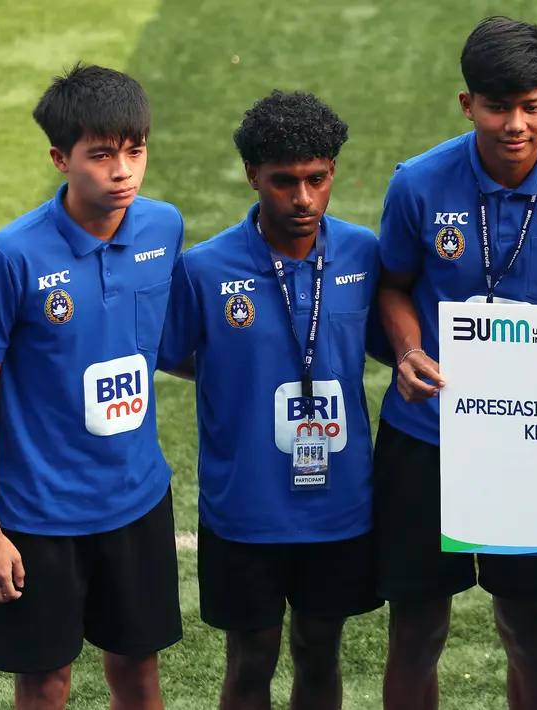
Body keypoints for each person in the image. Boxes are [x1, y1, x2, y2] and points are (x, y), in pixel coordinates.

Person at [373, 15, 537, 710]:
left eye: (531, 106)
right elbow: (393, 287)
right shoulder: (418, 184)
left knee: (526, 627)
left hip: (528, 438)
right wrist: (409, 349)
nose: (515, 123)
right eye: (497, 106)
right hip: (426, 435)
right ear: (467, 105)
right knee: (417, 629)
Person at [0, 63, 183, 710]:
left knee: (138, 672)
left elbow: (160, 341)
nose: (122, 171)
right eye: (100, 155)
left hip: (136, 500)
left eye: (134, 151)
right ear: (60, 158)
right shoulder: (9, 258)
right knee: (46, 682)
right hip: (38, 515)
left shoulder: (162, 229)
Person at [157, 90, 384, 709]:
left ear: (333, 171)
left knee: (319, 651)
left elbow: (391, 338)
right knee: (251, 660)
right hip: (245, 506)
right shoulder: (204, 269)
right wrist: (235, 367)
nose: (304, 198)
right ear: (252, 175)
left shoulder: (363, 253)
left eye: (317, 179)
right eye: (284, 182)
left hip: (339, 502)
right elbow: (170, 348)